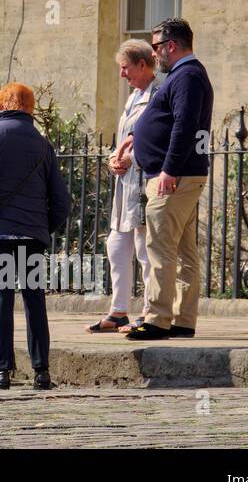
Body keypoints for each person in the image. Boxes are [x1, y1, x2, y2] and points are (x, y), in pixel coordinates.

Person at [0, 83, 71, 389]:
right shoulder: (42, 144)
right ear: (30, 109)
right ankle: (42, 372)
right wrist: (41, 226)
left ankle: (2, 372)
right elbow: (61, 201)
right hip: (32, 237)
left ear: (1, 105)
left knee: (2, 301)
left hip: (0, 236)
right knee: (35, 301)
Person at [126, 18, 213, 340]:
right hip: (182, 175)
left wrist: (169, 170)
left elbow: (184, 126)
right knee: (185, 252)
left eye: (157, 47)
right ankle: (182, 319)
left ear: (171, 45)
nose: (154, 54)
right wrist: (136, 136)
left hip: (174, 177)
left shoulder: (187, 76)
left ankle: (157, 319)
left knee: (160, 248)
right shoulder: (185, 75)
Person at [88, 40, 159, 333]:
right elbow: (125, 138)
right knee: (116, 247)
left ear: (142, 65)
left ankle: (149, 311)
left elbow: (154, 138)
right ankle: (118, 310)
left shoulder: (157, 95)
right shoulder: (133, 97)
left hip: (143, 181)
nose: (122, 74)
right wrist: (114, 158)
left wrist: (130, 158)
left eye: (125, 67)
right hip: (124, 183)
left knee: (145, 251)